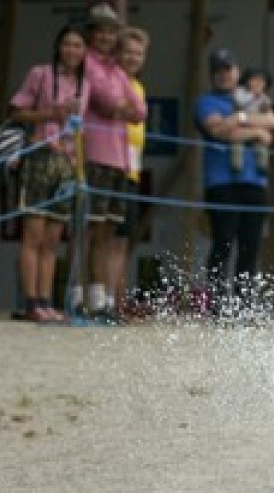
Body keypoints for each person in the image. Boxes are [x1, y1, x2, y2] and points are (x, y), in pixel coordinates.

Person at [8, 24, 89, 323]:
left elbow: (81, 129)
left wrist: (81, 170)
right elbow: (16, 111)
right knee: (33, 234)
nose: (72, 51)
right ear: (58, 47)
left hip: (67, 162)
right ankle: (31, 301)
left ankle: (46, 301)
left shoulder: (85, 84)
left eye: (78, 46)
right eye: (67, 44)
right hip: (40, 154)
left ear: (85, 52)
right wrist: (50, 113)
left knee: (53, 238)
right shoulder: (40, 74)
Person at [194, 47, 274, 309]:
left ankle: (243, 305)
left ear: (237, 72)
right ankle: (218, 304)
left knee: (250, 245)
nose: (223, 75)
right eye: (217, 71)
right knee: (224, 241)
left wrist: (239, 121)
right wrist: (254, 130)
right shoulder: (206, 101)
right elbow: (219, 131)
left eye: (228, 69)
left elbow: (272, 122)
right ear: (212, 75)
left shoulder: (253, 97)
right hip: (221, 182)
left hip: (255, 182)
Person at [80, 1, 146, 322]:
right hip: (94, 154)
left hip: (119, 161)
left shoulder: (115, 69)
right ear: (91, 33)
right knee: (88, 229)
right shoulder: (87, 62)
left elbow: (140, 111)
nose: (106, 37)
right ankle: (79, 296)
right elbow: (104, 101)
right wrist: (119, 108)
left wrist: (121, 108)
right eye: (101, 31)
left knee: (108, 231)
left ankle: (103, 299)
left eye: (111, 31)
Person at [108, 26, 148, 319]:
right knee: (106, 237)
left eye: (139, 53)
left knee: (123, 239)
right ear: (117, 54)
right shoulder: (112, 82)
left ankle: (118, 299)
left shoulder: (138, 86)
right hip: (111, 167)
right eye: (128, 52)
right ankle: (105, 300)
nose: (133, 58)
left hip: (132, 170)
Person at [230, 67, 274, 173]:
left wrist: (265, 104)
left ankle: (262, 165)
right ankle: (237, 165)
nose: (258, 83)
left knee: (261, 145)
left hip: (256, 125)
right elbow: (239, 103)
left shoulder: (263, 97)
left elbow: (268, 112)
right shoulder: (240, 92)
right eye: (255, 80)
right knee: (237, 145)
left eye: (262, 81)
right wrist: (252, 95)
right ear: (247, 81)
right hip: (241, 125)